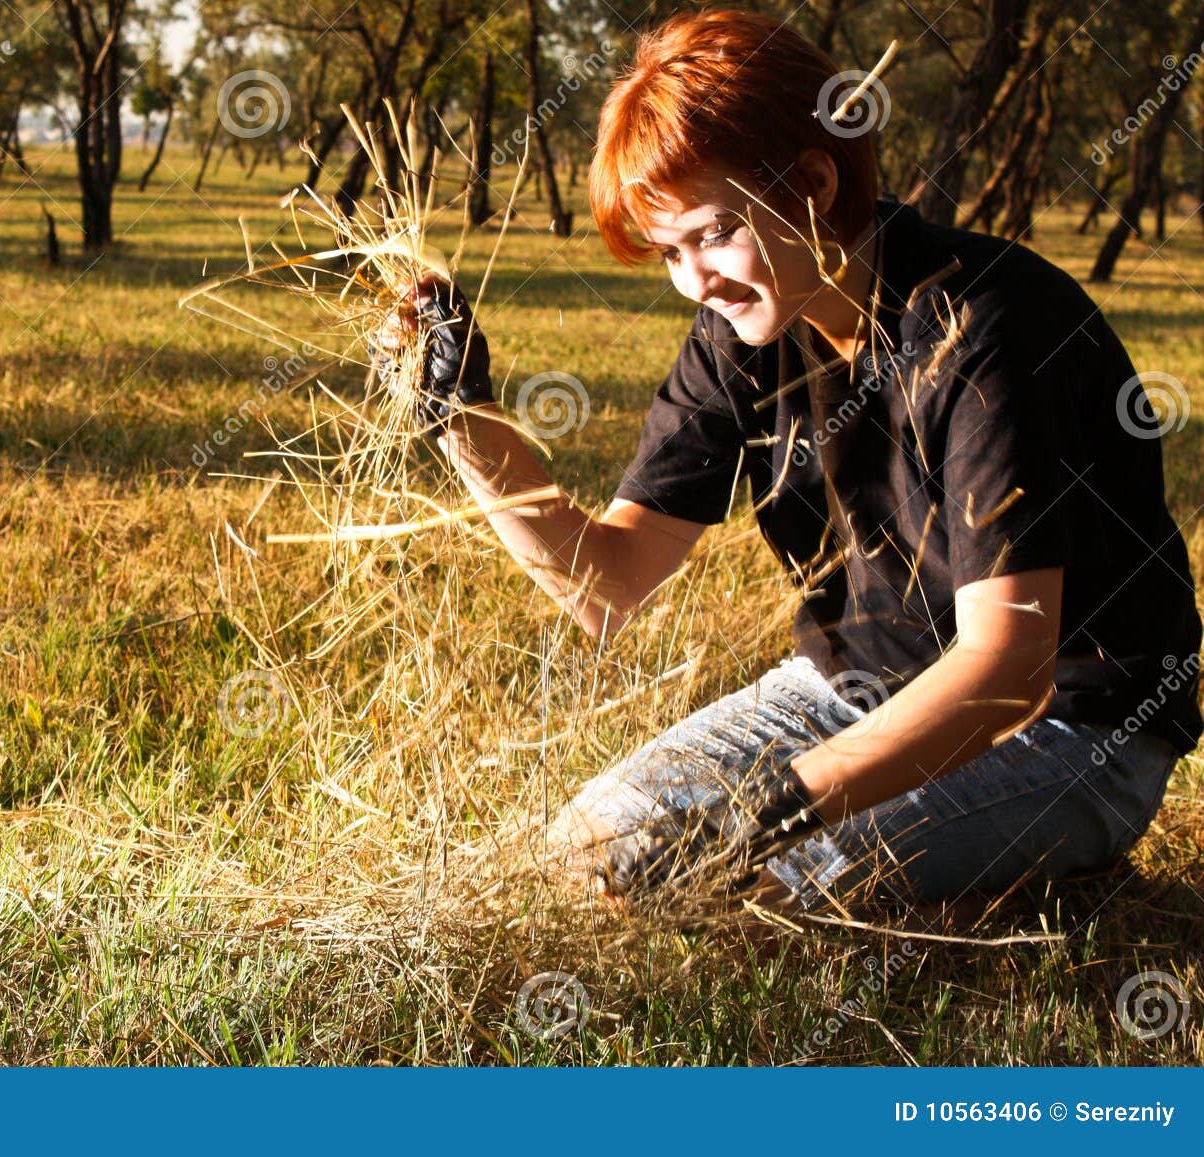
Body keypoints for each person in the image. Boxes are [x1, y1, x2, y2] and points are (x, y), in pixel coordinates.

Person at [375, 9, 1201, 913]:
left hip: (1068, 729)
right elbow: (606, 584)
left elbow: (1009, 673)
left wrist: (782, 810)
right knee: (589, 858)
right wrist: (462, 416)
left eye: (714, 234)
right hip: (848, 691)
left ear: (812, 180)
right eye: (669, 253)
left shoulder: (986, 331)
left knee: (761, 890)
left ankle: (1058, 860)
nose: (696, 282)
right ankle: (991, 865)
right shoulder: (742, 328)